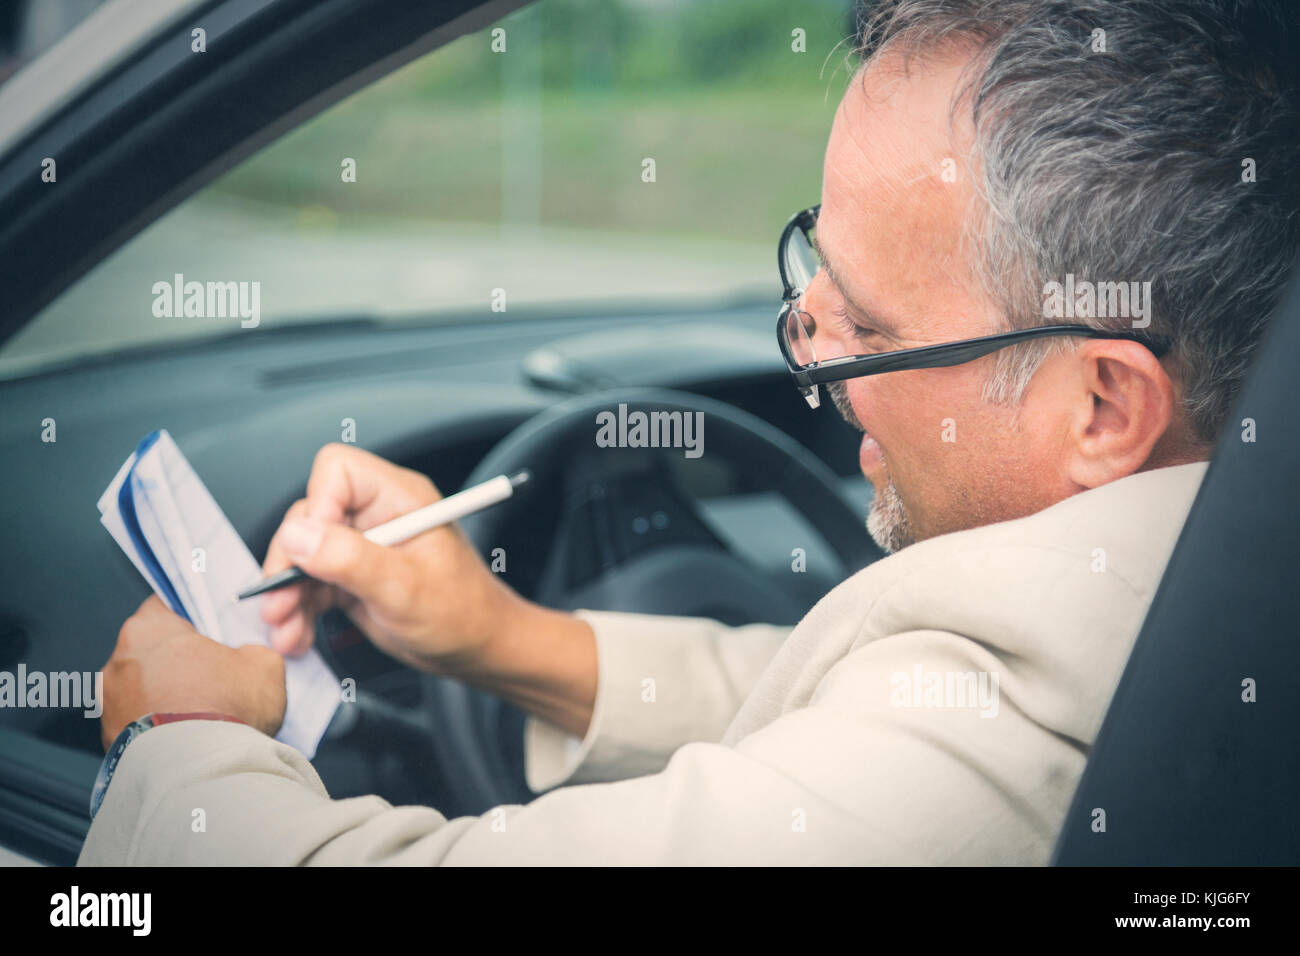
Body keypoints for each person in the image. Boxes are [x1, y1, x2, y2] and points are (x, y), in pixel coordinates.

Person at [79, 0, 1299, 865]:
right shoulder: (1186, 581)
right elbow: (830, 711)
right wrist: (506, 636)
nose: (803, 348)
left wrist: (182, 743)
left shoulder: (1030, 719)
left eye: (864, 328)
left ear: (1099, 405)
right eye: (810, 276)